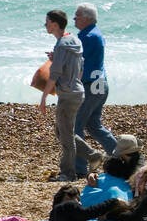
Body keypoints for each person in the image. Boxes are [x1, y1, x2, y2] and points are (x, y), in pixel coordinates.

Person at [40, 10, 101, 182]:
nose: (45, 25)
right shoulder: (74, 40)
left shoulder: (61, 45)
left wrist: (44, 97)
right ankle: (93, 155)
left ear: (54, 24)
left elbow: (54, 74)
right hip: (77, 91)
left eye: (47, 22)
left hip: (67, 94)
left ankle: (68, 173)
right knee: (62, 132)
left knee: (65, 135)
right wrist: (57, 59)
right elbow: (79, 68)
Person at [72, 3, 117, 176]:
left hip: (92, 85)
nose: (74, 18)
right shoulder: (95, 34)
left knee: (76, 126)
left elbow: (77, 61)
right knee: (94, 125)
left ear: (87, 18)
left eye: (77, 16)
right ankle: (121, 157)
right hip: (100, 84)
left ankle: (80, 168)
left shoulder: (87, 36)